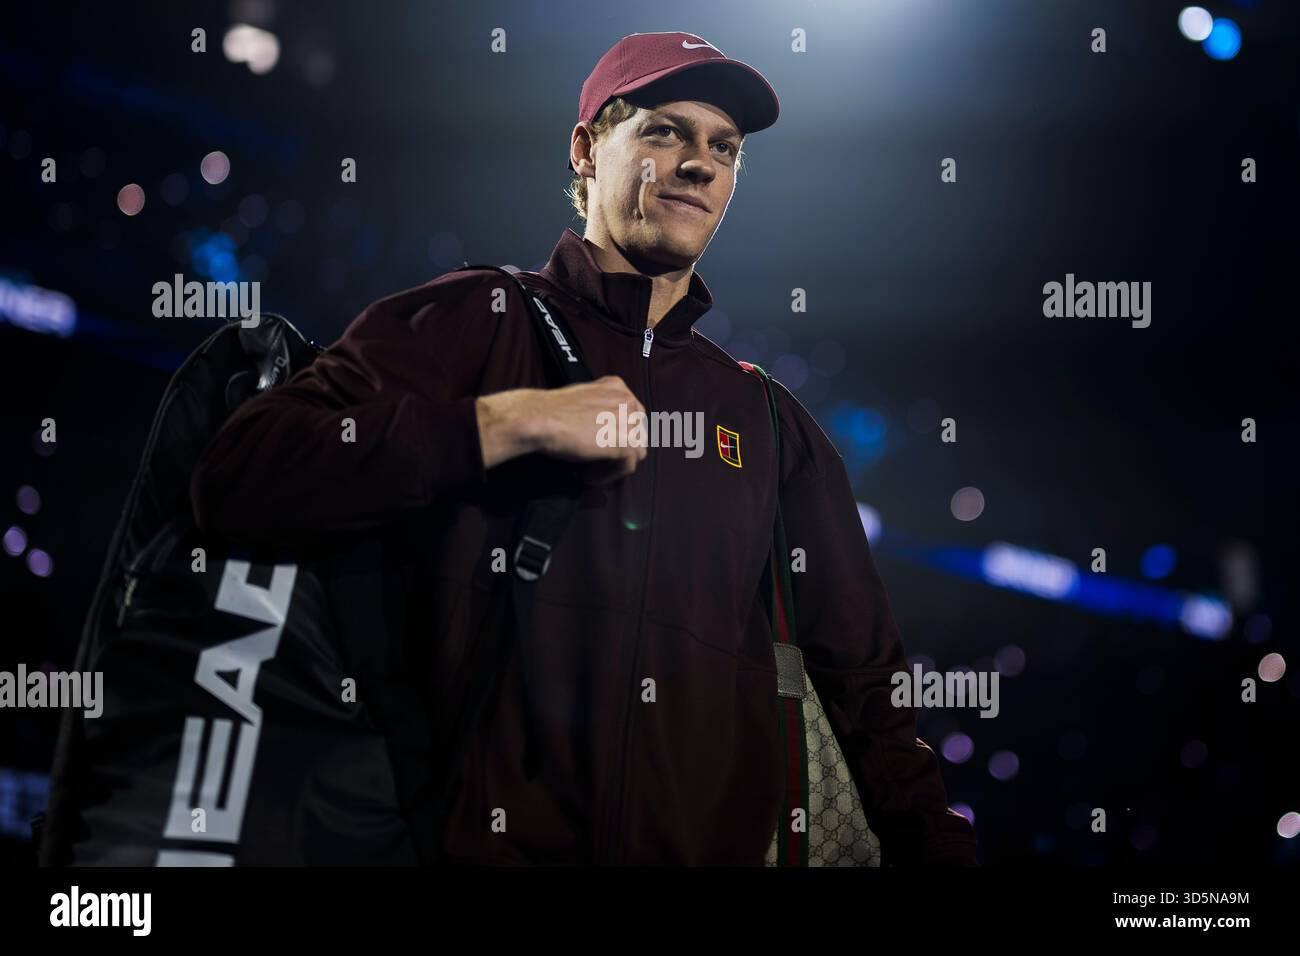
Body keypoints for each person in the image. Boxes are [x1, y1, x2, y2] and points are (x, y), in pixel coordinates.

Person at [191, 31, 977, 866]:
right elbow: (241, 478)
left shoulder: (765, 420)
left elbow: (868, 685)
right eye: (664, 130)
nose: (700, 165)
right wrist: (504, 425)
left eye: (725, 148)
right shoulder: (474, 319)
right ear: (587, 148)